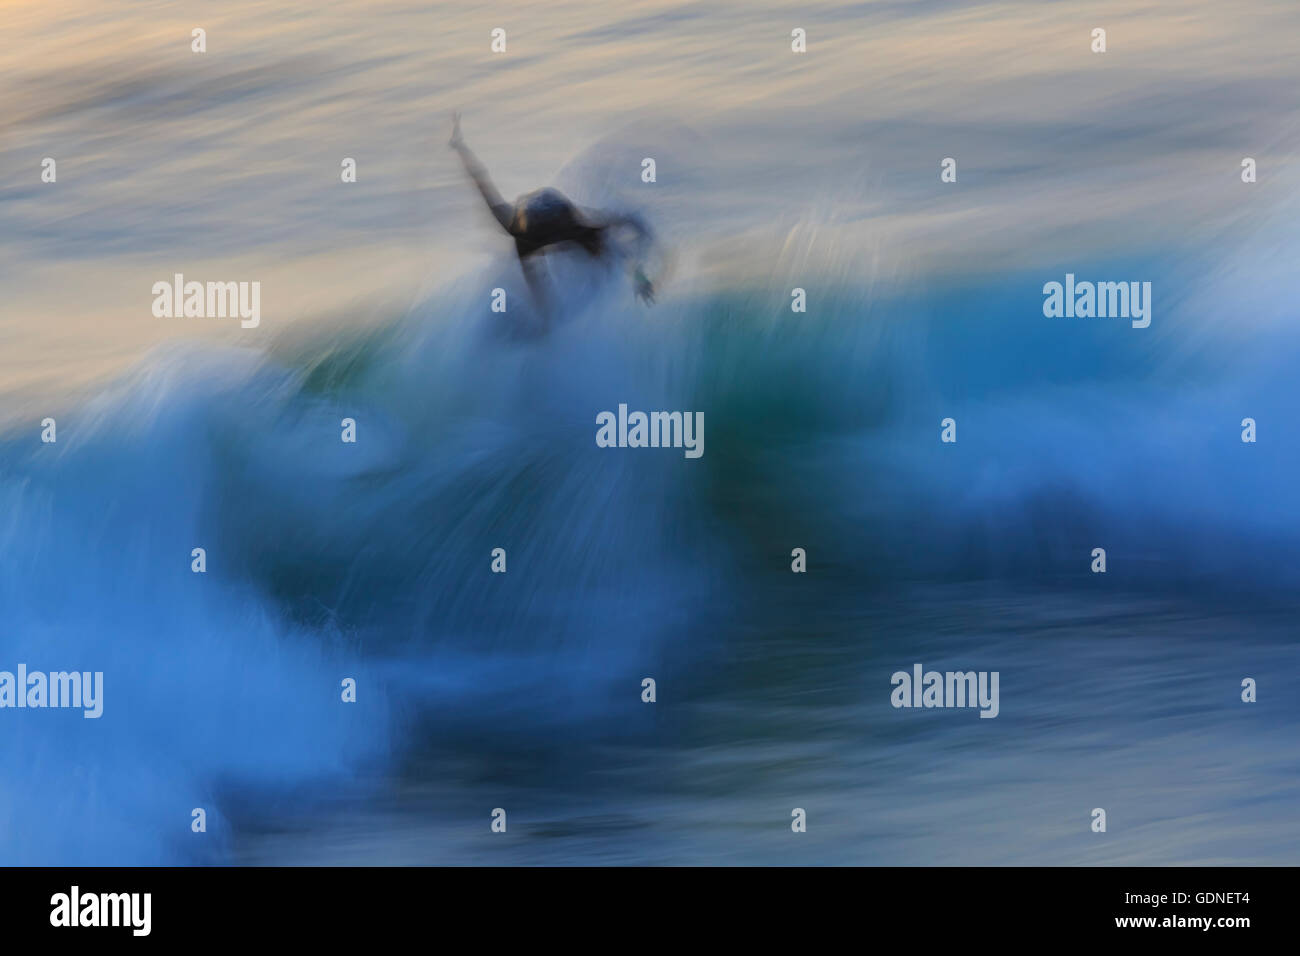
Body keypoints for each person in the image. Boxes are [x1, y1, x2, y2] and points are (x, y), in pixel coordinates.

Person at [449, 113, 656, 318]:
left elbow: (481, 182)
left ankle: (634, 244)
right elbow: (481, 182)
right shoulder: (524, 234)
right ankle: (635, 246)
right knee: (600, 237)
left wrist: (460, 148)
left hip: (551, 211)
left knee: (599, 237)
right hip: (549, 210)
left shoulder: (521, 231)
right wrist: (460, 147)